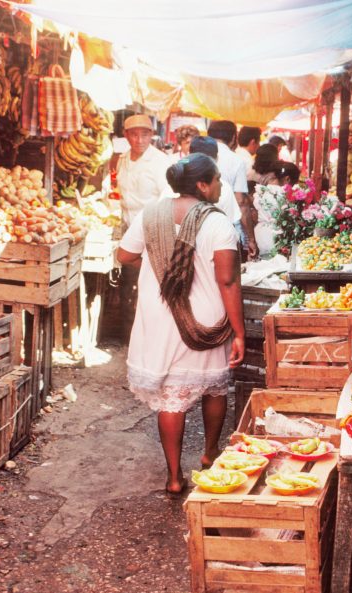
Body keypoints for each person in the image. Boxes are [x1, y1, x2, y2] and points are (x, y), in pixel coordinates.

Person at [117, 153, 246, 496]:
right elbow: (228, 281)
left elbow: (125, 255)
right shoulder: (217, 224)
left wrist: (158, 266)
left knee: (171, 398)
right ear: (202, 185)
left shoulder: (150, 214)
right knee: (214, 388)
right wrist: (239, 331)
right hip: (205, 320)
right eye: (217, 180)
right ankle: (209, 454)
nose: (220, 186)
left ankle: (174, 477)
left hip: (161, 317)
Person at [208, 120, 257, 259]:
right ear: (234, 138)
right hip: (226, 228)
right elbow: (241, 202)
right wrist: (251, 240)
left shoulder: (195, 156)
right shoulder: (235, 160)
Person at [115, 114, 172, 228]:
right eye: (134, 135)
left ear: (151, 134)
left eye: (144, 135)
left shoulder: (161, 161)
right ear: (126, 135)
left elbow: (169, 200)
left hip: (151, 228)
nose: (139, 140)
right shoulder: (122, 159)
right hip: (127, 226)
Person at [189, 136, 242, 244]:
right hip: (213, 247)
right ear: (217, 158)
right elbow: (231, 224)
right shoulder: (223, 186)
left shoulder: (173, 186)